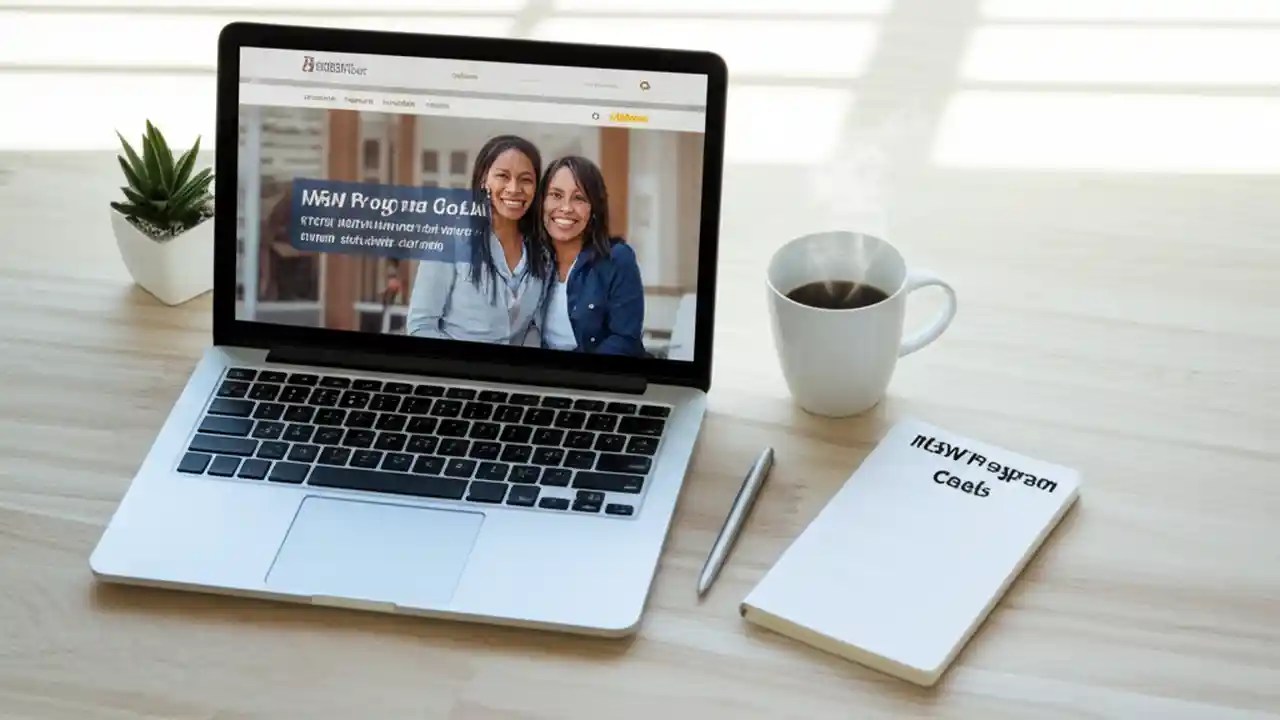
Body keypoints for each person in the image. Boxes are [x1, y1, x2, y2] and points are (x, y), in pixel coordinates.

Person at [406, 135, 550, 345]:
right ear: (484, 180)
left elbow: (534, 328)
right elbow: (420, 327)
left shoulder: (541, 250)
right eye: (503, 176)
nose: (514, 188)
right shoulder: (449, 240)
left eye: (526, 179)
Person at [536, 155, 646, 356]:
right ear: (541, 202)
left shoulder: (618, 259)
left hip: (600, 378)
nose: (566, 208)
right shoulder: (531, 258)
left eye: (579, 198)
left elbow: (625, 338)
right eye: (556, 195)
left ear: (594, 208)